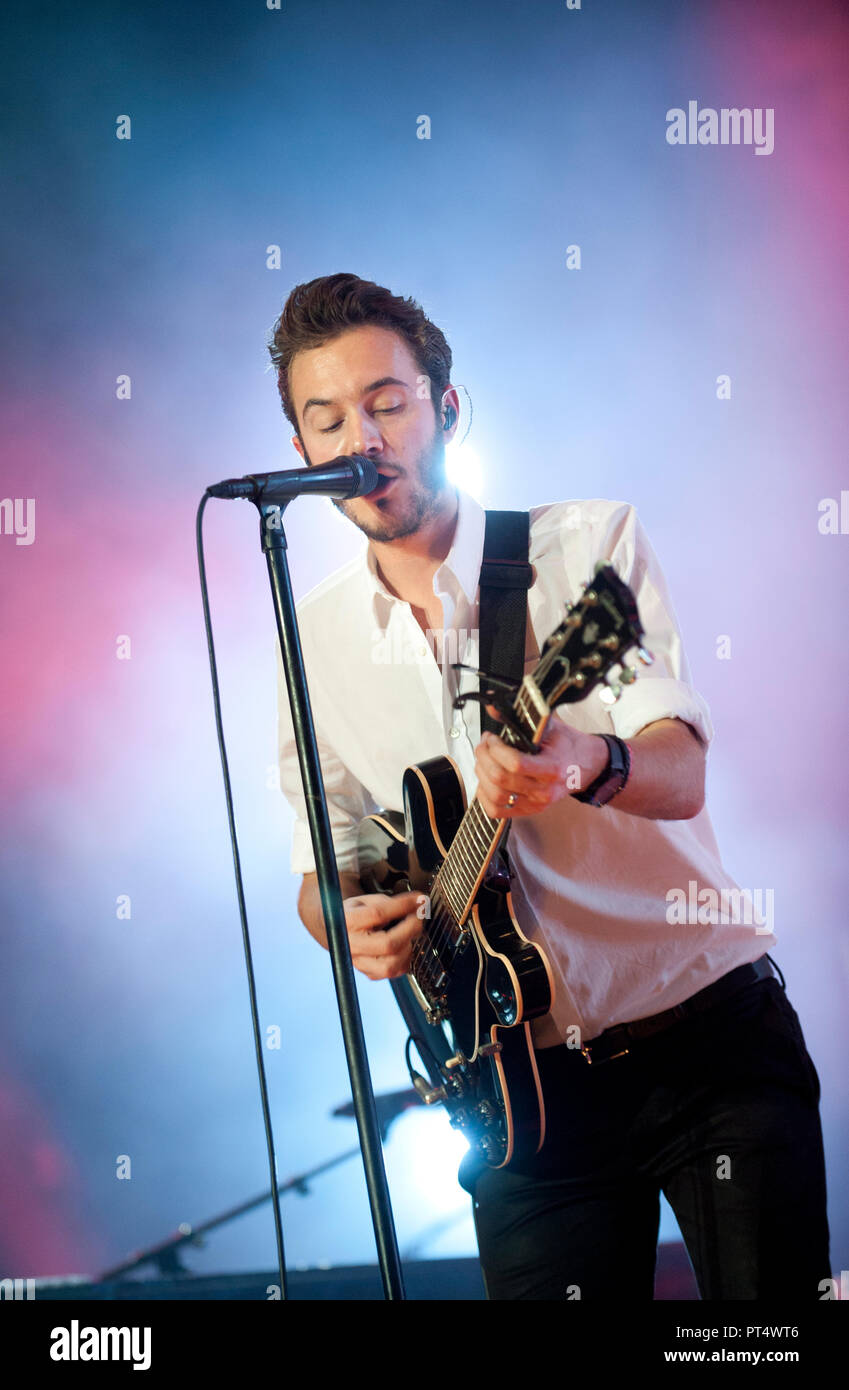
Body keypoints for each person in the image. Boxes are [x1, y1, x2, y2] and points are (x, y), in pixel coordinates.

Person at [269, 272, 830, 1300]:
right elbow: (326, 863)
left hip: (704, 1043)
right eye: (329, 416)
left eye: (387, 400)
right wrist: (351, 921)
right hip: (517, 1100)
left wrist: (586, 761)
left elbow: (682, 769)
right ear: (301, 453)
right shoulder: (312, 645)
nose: (365, 435)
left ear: (444, 405)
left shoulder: (584, 547)